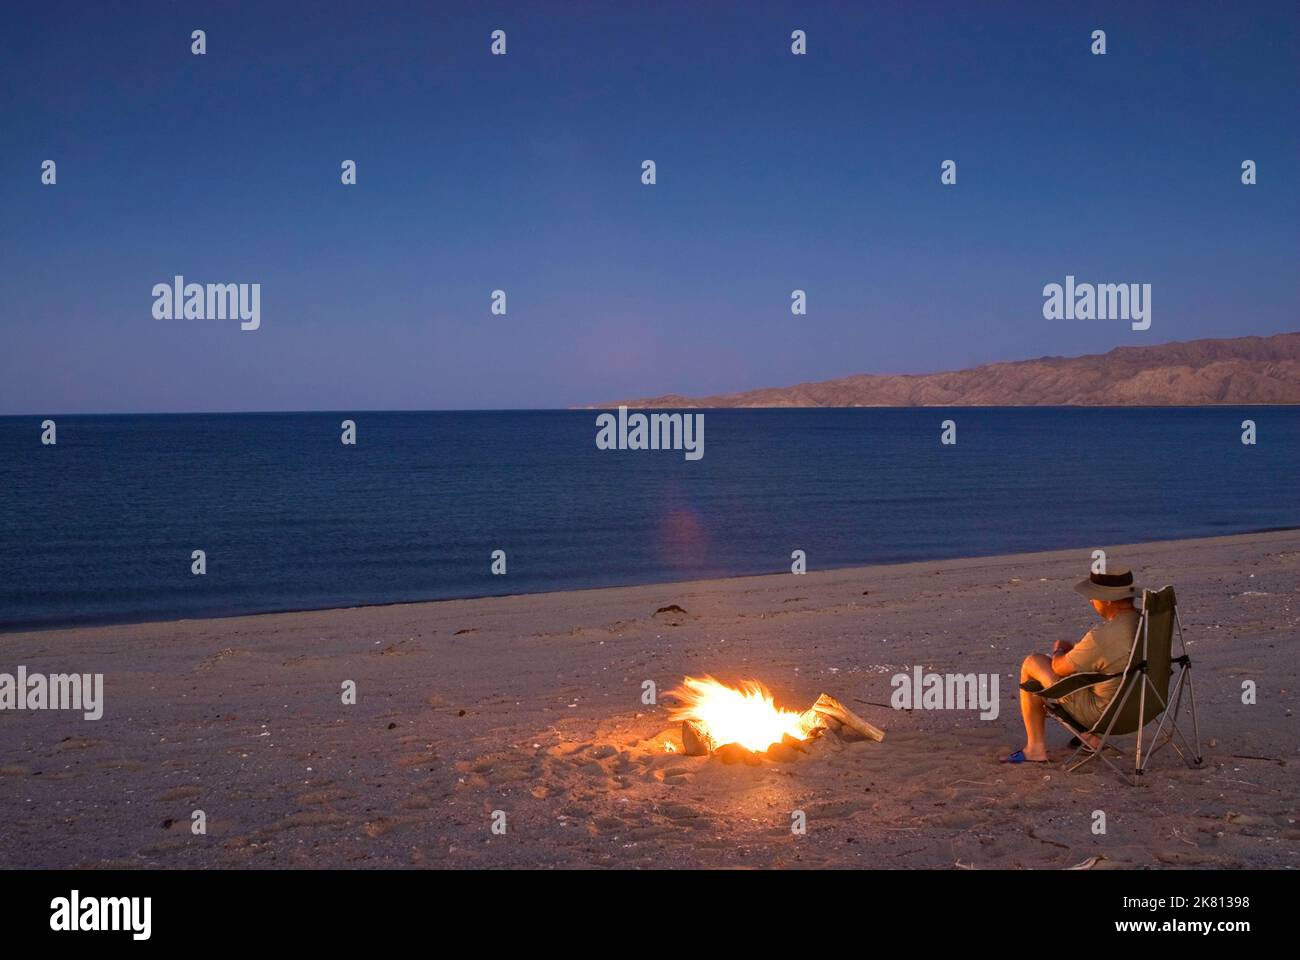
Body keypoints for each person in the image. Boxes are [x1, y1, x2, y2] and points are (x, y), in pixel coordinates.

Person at [1003, 566, 1142, 763]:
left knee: (1033, 663)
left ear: (1107, 599)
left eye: (1093, 597)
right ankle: (1088, 738)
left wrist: (1059, 650)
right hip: (1142, 705)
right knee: (1083, 670)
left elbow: (1059, 668)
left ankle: (1035, 748)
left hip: (1106, 714)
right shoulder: (1145, 623)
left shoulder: (1103, 635)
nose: (1091, 601)